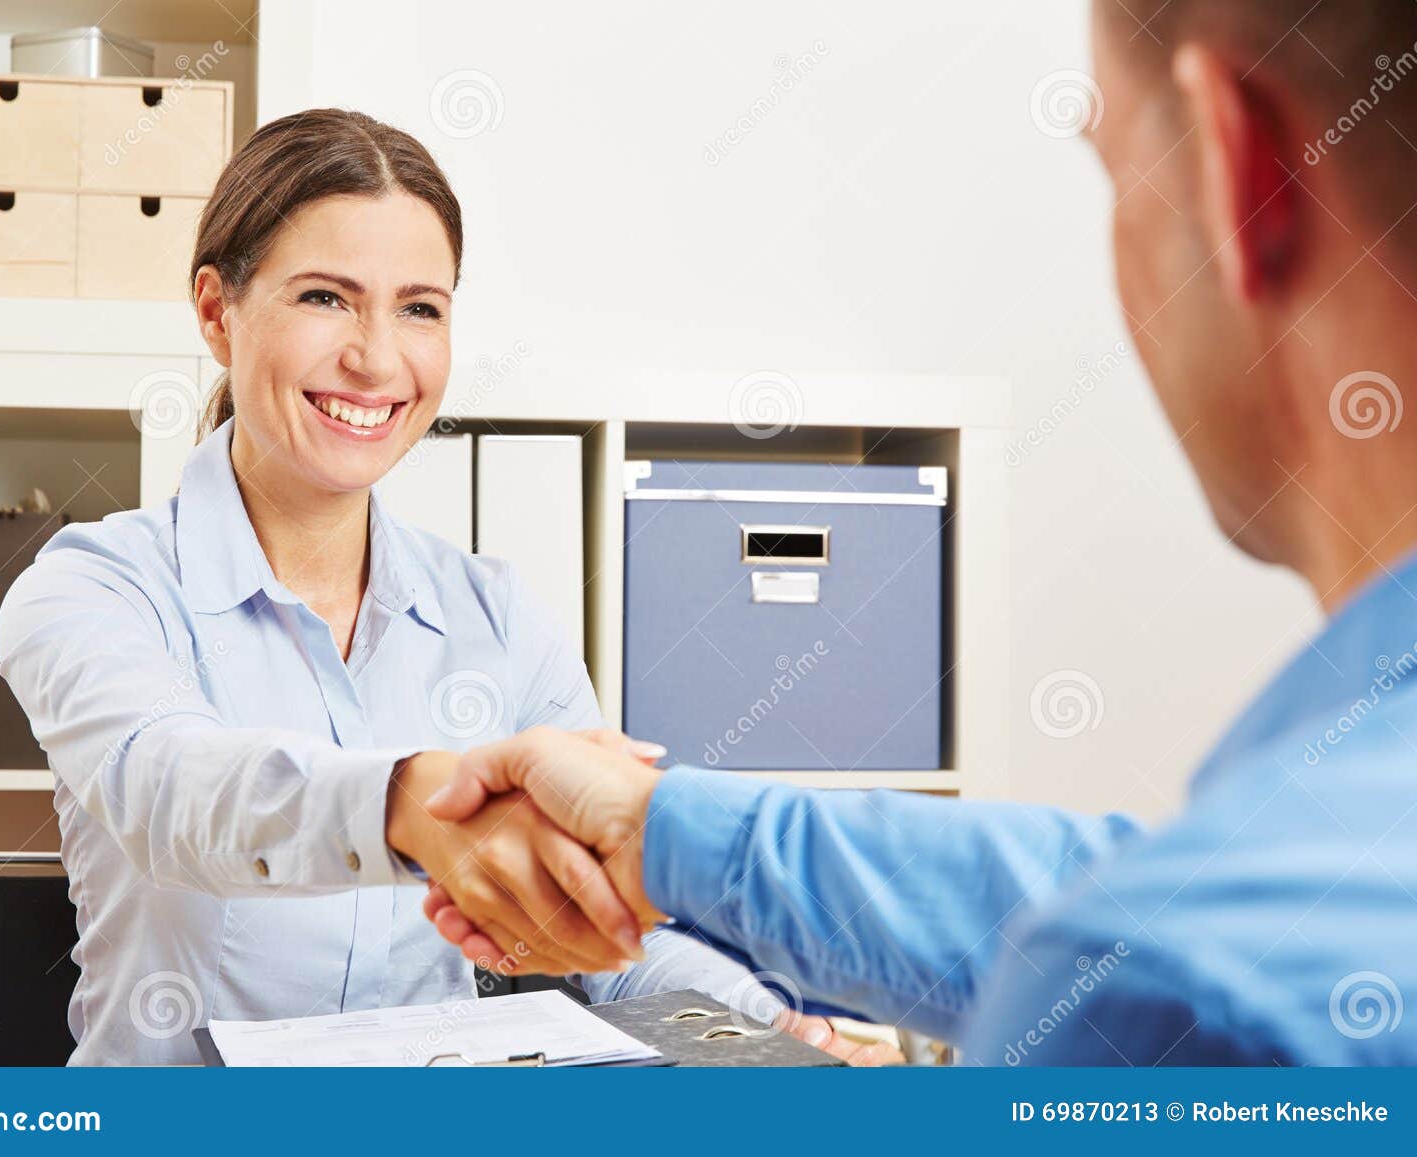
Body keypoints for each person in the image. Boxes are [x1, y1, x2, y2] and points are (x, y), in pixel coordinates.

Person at [416, 0, 1417, 1065]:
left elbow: (1159, 947)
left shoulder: (1187, 1003)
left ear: (1239, 178)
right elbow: (1148, 889)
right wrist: (665, 831)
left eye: (1116, 169)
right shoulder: (1279, 895)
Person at [0, 108, 890, 1065]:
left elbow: (607, 930)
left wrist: (773, 1026)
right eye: (326, 298)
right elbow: (174, 788)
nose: (377, 359)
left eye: (419, 308)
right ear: (218, 312)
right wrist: (410, 805)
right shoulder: (93, 588)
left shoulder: (495, 616)